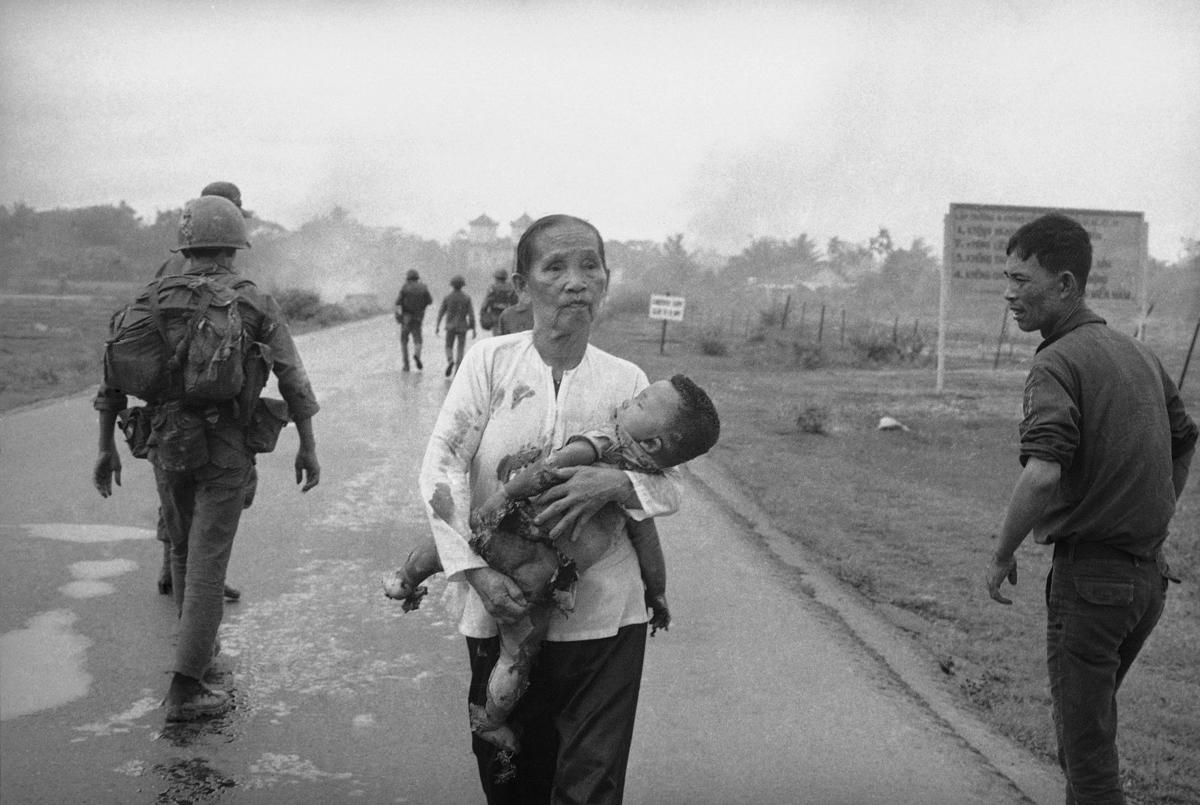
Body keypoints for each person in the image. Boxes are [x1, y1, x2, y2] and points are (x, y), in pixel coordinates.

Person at [417, 214, 683, 803]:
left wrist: (612, 483)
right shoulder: (489, 364)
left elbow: (670, 487)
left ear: (606, 281)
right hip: (501, 610)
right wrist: (475, 573)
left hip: (608, 622)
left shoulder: (627, 380)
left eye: (591, 266)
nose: (576, 281)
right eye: (555, 267)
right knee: (510, 778)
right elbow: (442, 471)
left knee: (590, 785)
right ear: (522, 285)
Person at [388, 374, 719, 756]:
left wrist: (503, 497)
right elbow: (649, 546)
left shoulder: (604, 442)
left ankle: (405, 578)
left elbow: (548, 468)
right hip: (544, 577)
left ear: (652, 442)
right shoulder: (637, 489)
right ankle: (492, 721)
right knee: (516, 656)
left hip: (512, 531)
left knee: (453, 544)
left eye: (640, 403)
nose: (629, 401)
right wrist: (657, 593)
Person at [984, 213, 1196, 804]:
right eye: (1007, 278)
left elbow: (1043, 472)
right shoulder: (1137, 353)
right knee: (1088, 737)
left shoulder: (1057, 361)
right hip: (1146, 583)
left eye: (1023, 280)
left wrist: (1002, 553)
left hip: (1094, 585)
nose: (1009, 293)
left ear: (1067, 285)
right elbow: (1185, 438)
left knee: (1087, 754)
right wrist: (1153, 510)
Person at [93, 195, 323, 723]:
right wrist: (307, 444)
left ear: (187, 245)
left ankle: (198, 653)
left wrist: (105, 447)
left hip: (164, 443)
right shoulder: (251, 299)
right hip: (224, 446)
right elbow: (292, 375)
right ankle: (185, 688)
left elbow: (111, 379)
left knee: (181, 548)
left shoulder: (150, 297)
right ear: (234, 247)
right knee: (208, 564)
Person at [154, 181, 252, 599]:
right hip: (216, 411)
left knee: (176, 490)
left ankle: (177, 569)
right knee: (217, 498)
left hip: (168, 412)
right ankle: (198, 578)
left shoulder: (173, 266)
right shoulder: (228, 274)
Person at [434, 274, 476, 377]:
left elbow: (441, 312)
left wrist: (437, 326)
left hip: (450, 326)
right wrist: (473, 328)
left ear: (452, 285)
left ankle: (450, 360)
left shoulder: (448, 297)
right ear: (462, 285)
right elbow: (471, 314)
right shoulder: (467, 298)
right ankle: (457, 372)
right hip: (462, 327)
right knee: (460, 348)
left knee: (448, 346)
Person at [394, 268, 434, 371]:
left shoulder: (405, 288)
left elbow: (397, 303)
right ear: (417, 277)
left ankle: (406, 365)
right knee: (418, 339)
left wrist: (398, 316)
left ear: (408, 278)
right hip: (418, 317)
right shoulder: (423, 288)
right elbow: (430, 301)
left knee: (404, 341)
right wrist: (422, 305)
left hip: (406, 318)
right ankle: (417, 355)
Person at [480, 268, 521, 333]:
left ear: (496, 277)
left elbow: (487, 301)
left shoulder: (493, 288)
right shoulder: (511, 287)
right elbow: (515, 302)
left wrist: (483, 312)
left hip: (495, 314)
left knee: (497, 335)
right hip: (508, 314)